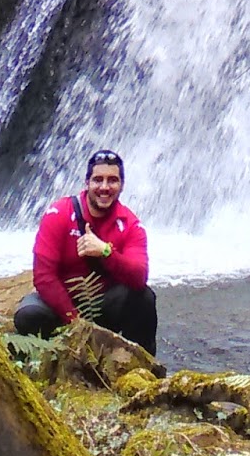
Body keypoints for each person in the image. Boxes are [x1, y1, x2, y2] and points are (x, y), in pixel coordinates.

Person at [12, 149, 158, 355]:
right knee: (28, 316)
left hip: (101, 306)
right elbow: (44, 277)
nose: (105, 187)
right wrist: (75, 322)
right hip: (60, 305)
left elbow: (139, 277)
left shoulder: (130, 224)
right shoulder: (59, 214)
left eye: (112, 180)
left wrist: (106, 252)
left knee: (144, 298)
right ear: (87, 183)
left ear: (122, 185)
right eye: (98, 180)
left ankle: (143, 369)